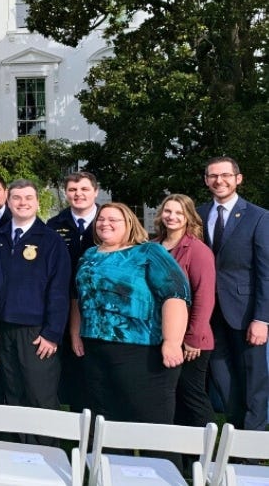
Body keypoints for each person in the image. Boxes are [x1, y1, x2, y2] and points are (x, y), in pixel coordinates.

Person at [73, 202, 190, 424]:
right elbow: (80, 297)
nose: (105, 223)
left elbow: (175, 295)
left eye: (113, 219)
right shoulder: (89, 255)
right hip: (95, 349)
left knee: (146, 418)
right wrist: (76, 333)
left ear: (129, 223)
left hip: (141, 351)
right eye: (101, 219)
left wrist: (172, 342)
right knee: (104, 419)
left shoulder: (149, 252)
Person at [197, 157, 269, 431]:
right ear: (206, 180)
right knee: (221, 377)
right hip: (209, 313)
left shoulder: (258, 217)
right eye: (213, 176)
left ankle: (254, 441)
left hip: (246, 312)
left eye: (226, 175)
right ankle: (235, 432)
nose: (220, 180)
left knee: (254, 379)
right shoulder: (198, 214)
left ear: (238, 179)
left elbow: (266, 272)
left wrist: (262, 318)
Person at [0, 180, 69, 420]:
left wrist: (52, 333)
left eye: (28, 198)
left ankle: (45, 443)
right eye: (16, 198)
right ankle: (17, 443)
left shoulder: (51, 240)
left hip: (37, 332)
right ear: (8, 202)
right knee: (13, 393)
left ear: (37, 203)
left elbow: (59, 290)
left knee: (40, 395)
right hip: (4, 329)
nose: (22, 203)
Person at [153, 194, 216, 428]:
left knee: (191, 394)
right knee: (172, 396)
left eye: (179, 213)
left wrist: (193, 337)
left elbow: (205, 296)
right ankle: (183, 447)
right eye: (168, 211)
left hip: (191, 339)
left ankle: (210, 445)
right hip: (160, 333)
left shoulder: (198, 250)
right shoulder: (153, 246)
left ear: (189, 217)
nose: (172, 217)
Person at [47, 170, 99, 412]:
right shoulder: (54, 225)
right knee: (69, 367)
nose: (78, 194)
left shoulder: (109, 222)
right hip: (64, 306)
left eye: (84, 189)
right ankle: (75, 418)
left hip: (99, 308)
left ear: (96, 192)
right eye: (73, 190)